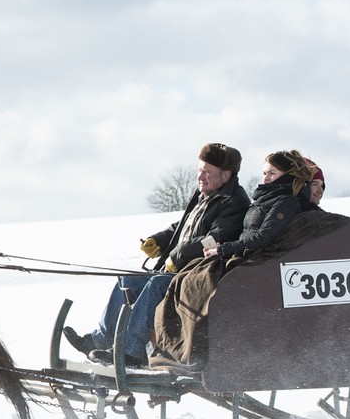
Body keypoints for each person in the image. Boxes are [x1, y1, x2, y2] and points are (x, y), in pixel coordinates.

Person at [63, 143, 249, 368]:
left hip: (198, 276)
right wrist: (160, 240)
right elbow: (183, 226)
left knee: (156, 284)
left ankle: (130, 352)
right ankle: (99, 340)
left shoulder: (235, 202)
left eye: (207, 172)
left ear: (226, 175)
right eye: (199, 170)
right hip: (182, 270)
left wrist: (177, 256)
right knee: (128, 280)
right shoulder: (206, 195)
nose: (200, 177)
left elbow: (215, 238)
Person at [154, 149, 317, 367]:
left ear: (289, 175)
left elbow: (262, 238)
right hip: (241, 258)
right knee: (186, 280)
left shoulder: (286, 202)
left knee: (197, 283)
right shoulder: (265, 199)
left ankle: (196, 352)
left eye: (272, 173)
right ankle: (179, 347)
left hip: (255, 262)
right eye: (264, 173)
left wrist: (222, 249)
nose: (266, 178)